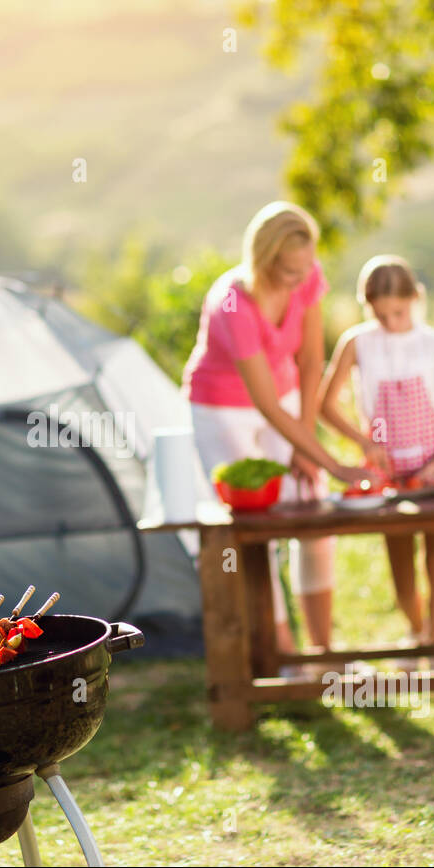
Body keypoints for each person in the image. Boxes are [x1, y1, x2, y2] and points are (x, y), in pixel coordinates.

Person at [183, 201, 372, 655]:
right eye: (288, 271)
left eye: (305, 268)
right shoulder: (232, 301)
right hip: (223, 409)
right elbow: (265, 406)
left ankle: (324, 654)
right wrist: (335, 463)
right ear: (264, 261)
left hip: (285, 403)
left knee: (312, 515)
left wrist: (308, 449)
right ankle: (282, 658)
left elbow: (310, 361)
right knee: (256, 531)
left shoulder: (306, 275)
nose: (299, 278)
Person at [319, 255, 434, 657]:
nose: (392, 323)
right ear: (367, 308)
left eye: (399, 312)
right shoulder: (358, 342)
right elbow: (326, 405)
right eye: (381, 315)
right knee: (401, 565)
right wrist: (364, 442)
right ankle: (417, 632)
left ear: (415, 298)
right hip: (388, 473)